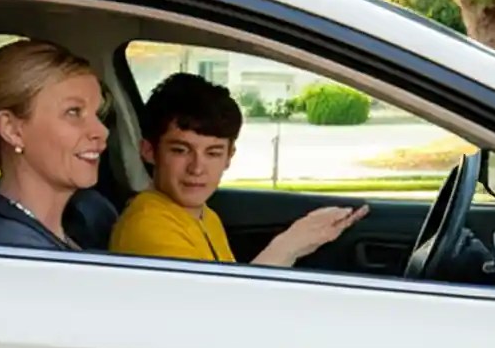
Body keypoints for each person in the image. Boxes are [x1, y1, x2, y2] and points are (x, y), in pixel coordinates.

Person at [109, 73, 368, 266]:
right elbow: (217, 320)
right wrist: (289, 244)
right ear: (149, 151)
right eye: (181, 150)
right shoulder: (149, 227)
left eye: (213, 153)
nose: (197, 168)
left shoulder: (203, 216)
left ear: (229, 157)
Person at [0, 39, 108, 250]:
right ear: (12, 130)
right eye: (73, 112)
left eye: (97, 114)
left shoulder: (85, 220)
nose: (102, 131)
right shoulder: (9, 250)